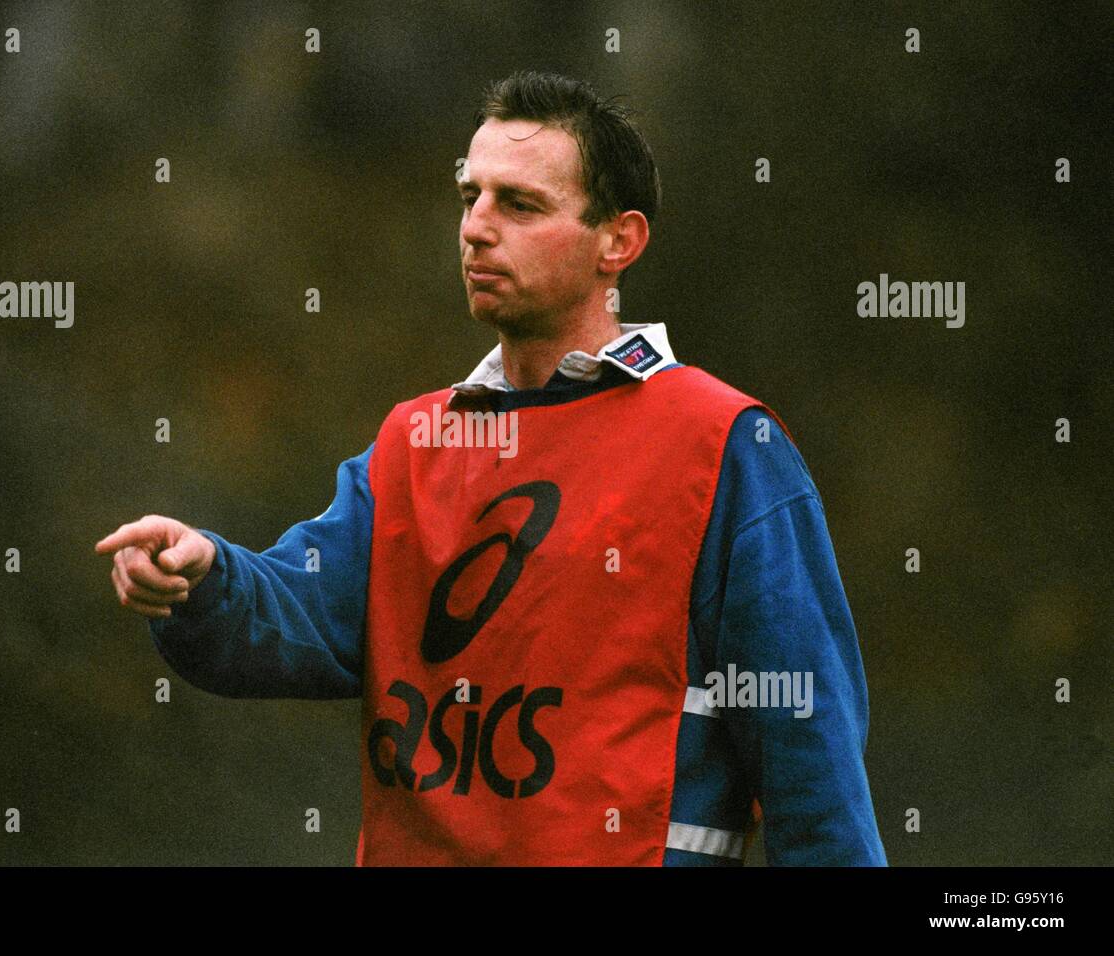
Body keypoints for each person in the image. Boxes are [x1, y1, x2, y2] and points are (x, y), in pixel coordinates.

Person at [95, 70, 886, 867]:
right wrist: (203, 579)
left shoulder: (721, 445)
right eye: (470, 196)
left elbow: (813, 769)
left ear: (620, 241)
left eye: (519, 204)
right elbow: (294, 620)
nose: (475, 227)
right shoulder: (416, 440)